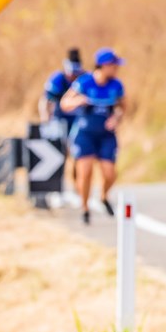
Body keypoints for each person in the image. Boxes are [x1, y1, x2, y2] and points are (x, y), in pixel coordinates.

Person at [60, 48, 126, 224]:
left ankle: (104, 196)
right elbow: (65, 103)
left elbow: (122, 107)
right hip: (85, 133)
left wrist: (117, 118)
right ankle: (85, 208)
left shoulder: (116, 85)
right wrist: (78, 101)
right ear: (104, 66)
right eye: (114, 66)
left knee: (109, 173)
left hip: (106, 135)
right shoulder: (85, 82)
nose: (117, 69)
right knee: (85, 171)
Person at [39, 47, 85, 192]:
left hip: (78, 119)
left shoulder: (84, 78)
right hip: (59, 119)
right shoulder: (57, 79)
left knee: (78, 153)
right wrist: (45, 119)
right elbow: (45, 101)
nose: (73, 76)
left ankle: (78, 186)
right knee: (60, 153)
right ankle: (58, 187)